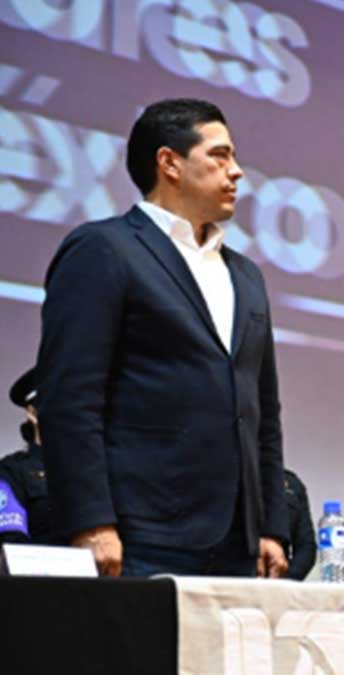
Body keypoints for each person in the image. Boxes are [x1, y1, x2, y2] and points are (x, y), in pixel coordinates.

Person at [36, 98, 288, 578]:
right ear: (169, 162)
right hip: (140, 533)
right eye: (219, 156)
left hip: (238, 539)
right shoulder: (104, 249)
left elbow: (263, 411)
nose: (236, 172)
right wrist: (90, 520)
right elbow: (70, 397)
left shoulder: (247, 275)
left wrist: (271, 524)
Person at [0, 368, 58, 545]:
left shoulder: (98, 467)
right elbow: (12, 543)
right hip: (44, 570)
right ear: (33, 413)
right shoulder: (12, 471)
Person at [283, 468, 315, 580]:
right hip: (234, 577)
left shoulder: (291, 483)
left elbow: (306, 546)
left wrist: (286, 582)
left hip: (281, 578)